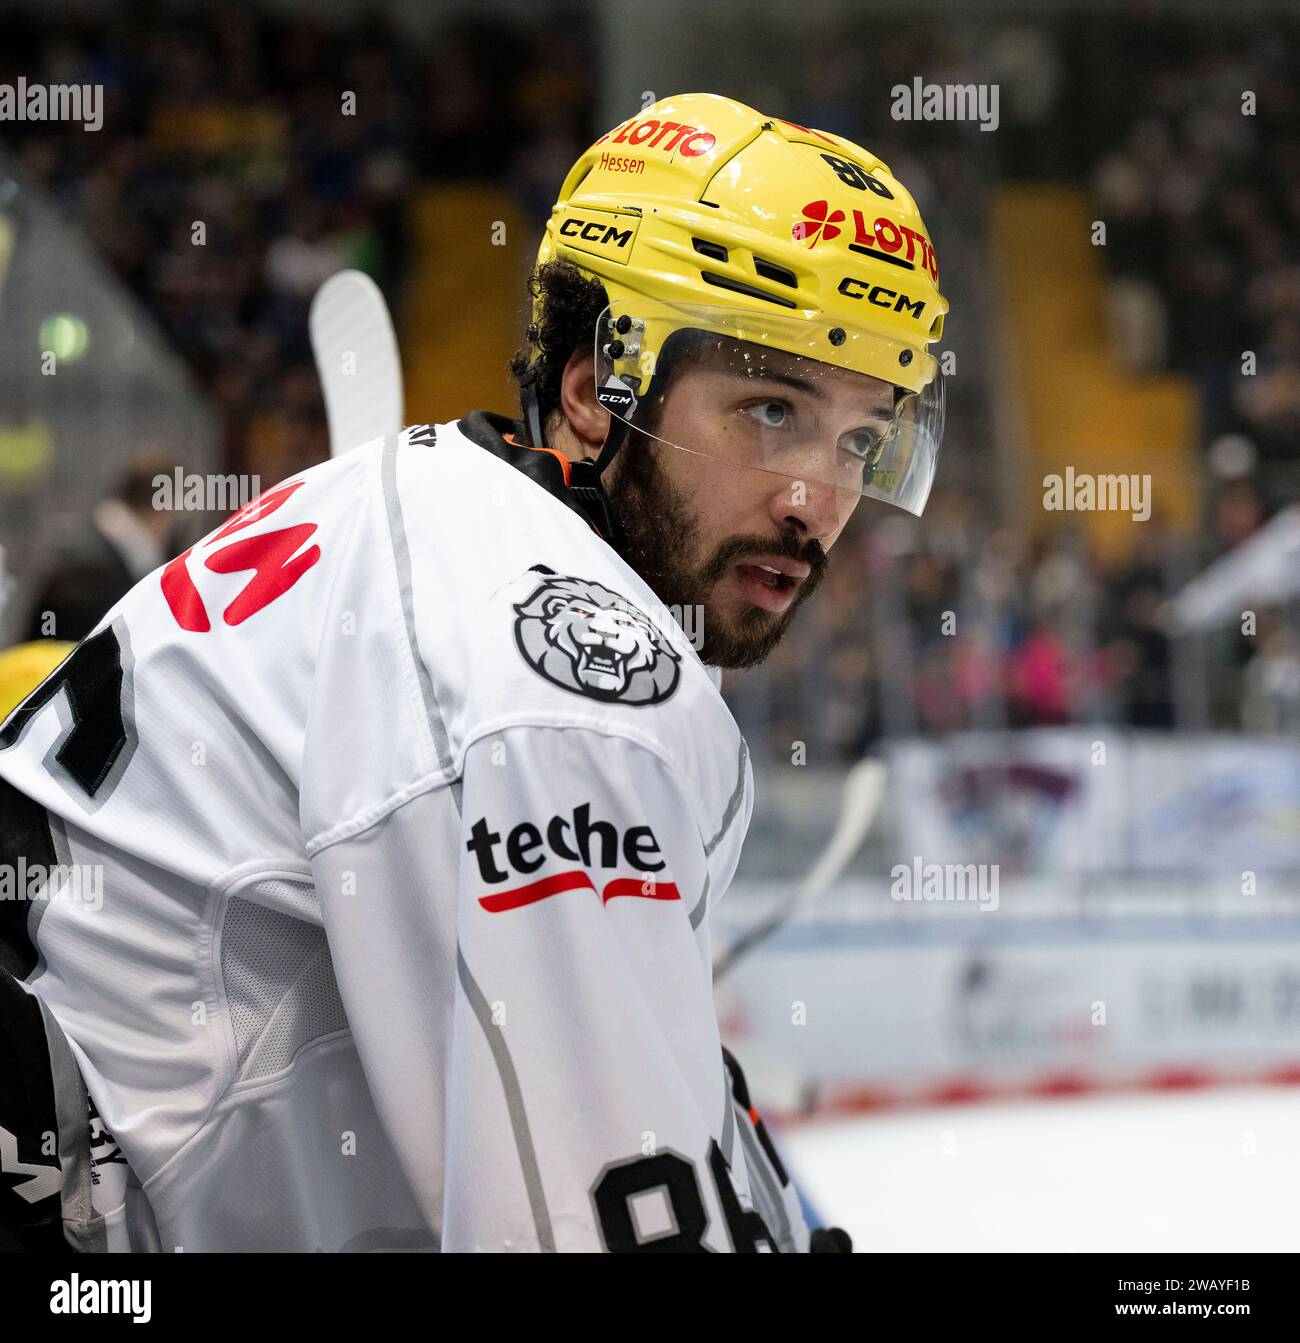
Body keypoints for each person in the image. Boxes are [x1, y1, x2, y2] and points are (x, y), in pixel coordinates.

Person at [0, 93, 946, 1252]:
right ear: (601, 386)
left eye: (859, 439)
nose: (816, 500)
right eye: (768, 408)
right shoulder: (554, 678)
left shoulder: (418, 514)